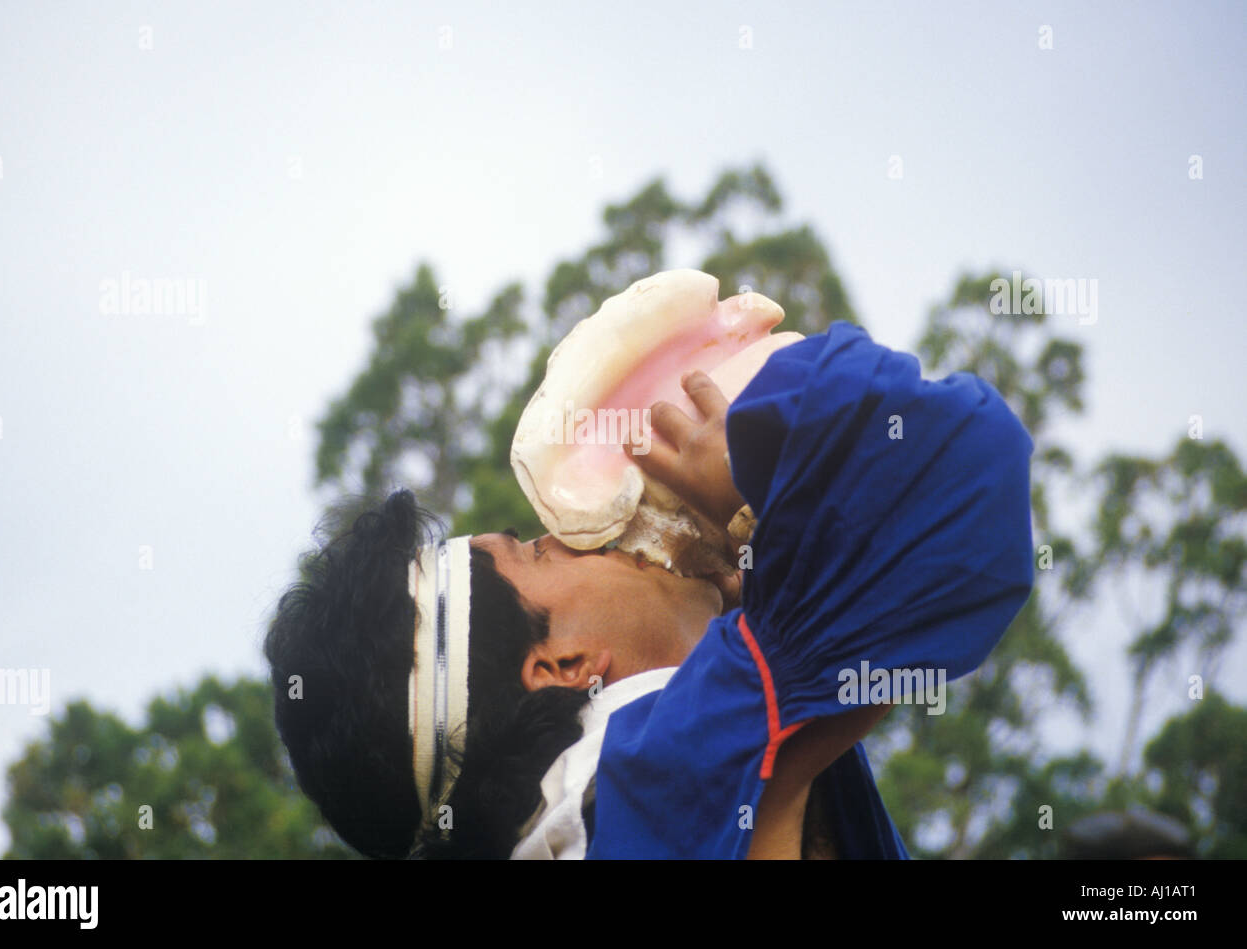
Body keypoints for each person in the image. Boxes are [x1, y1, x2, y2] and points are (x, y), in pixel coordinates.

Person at [264, 321, 1035, 858]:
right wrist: (755, 465)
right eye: (537, 550)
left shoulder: (615, 813)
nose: (572, 537)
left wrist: (771, 566)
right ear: (561, 663)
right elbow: (971, 475)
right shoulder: (660, 773)